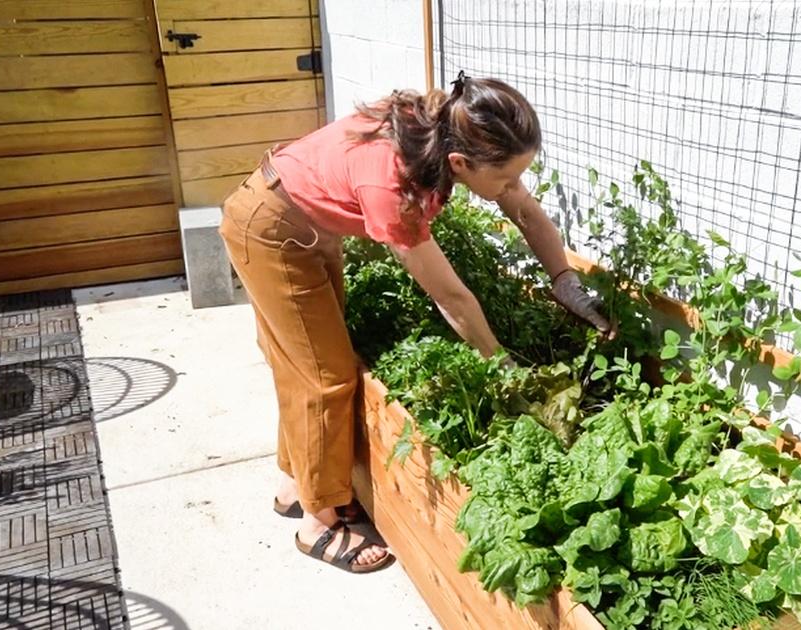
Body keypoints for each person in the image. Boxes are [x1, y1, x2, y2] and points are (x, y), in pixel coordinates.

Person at [218, 72, 613, 574]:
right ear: (459, 164)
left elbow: (527, 213)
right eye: (507, 178)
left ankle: (297, 486)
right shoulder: (395, 187)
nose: (515, 188)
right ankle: (316, 524)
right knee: (326, 374)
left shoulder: (449, 126)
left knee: (302, 361)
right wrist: (503, 365)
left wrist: (564, 281)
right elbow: (452, 297)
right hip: (273, 228)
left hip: (301, 222)